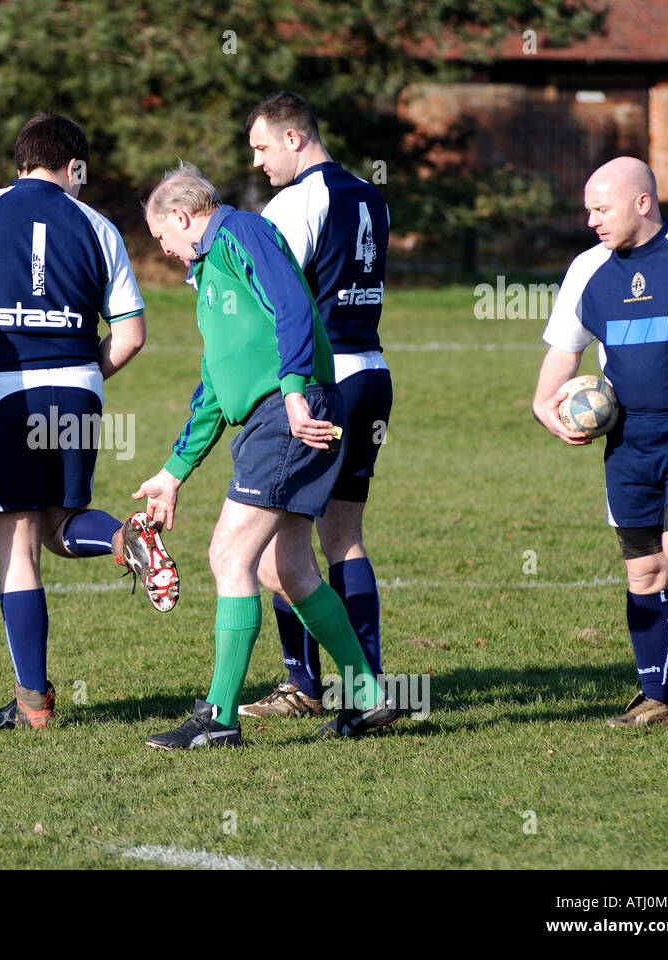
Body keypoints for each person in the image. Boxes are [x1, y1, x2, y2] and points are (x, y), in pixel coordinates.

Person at [0, 112, 175, 731]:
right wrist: (82, 377)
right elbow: (131, 335)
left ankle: (33, 704)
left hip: (2, 393)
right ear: (73, 167)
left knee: (18, 548)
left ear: (20, 160)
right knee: (60, 527)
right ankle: (120, 538)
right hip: (76, 389)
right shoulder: (99, 225)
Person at [135, 162, 399, 749]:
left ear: (180, 216)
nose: (165, 249)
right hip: (275, 414)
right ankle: (369, 695)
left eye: (161, 237)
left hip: (289, 416)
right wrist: (173, 472)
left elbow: (292, 305)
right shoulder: (209, 272)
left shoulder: (242, 233)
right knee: (286, 568)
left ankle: (219, 717)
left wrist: (295, 392)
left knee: (229, 554)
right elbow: (216, 383)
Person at [533, 156, 668, 730]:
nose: (591, 219)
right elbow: (564, 349)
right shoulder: (587, 269)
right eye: (588, 209)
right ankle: (655, 698)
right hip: (628, 441)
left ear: (642, 202)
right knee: (644, 571)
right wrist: (544, 406)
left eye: (601, 208)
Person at [237, 91, 393, 721]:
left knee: (280, 548)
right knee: (344, 539)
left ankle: (305, 685)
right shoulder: (371, 195)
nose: (257, 161)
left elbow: (273, 298)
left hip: (322, 384)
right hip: (374, 375)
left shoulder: (299, 201)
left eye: (262, 146)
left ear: (295, 138)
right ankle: (369, 688)